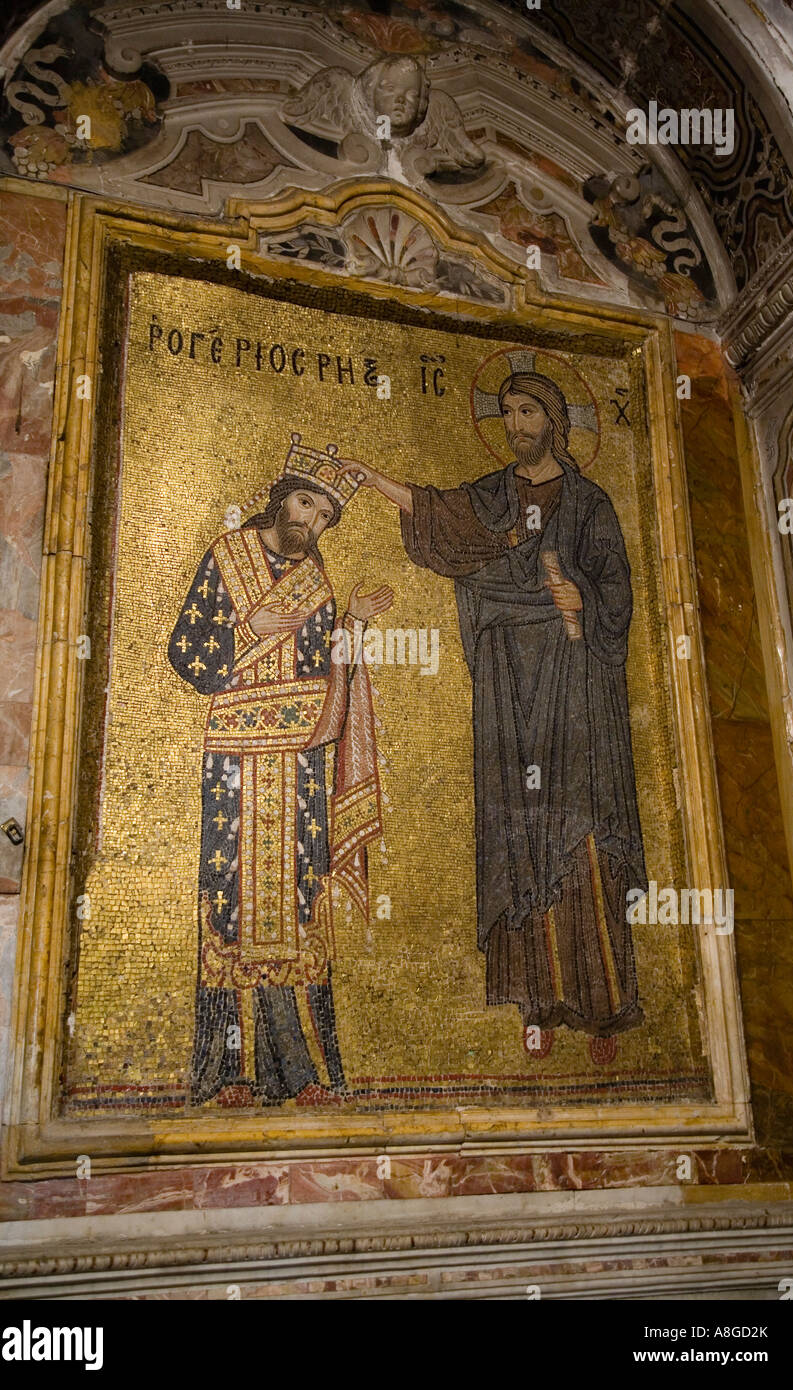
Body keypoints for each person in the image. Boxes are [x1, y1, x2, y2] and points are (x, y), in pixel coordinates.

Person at [340, 372, 647, 1060]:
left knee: (578, 827)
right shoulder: (496, 494)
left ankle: (604, 1006)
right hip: (509, 680)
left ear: (555, 418)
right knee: (519, 826)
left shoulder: (591, 503)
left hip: (574, 686)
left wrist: (580, 601)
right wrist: (369, 477)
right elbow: (438, 513)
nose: (515, 421)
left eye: (528, 409)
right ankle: (536, 1000)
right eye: (507, 411)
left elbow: (616, 591)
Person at [170, 436, 392, 1104]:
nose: (310, 522)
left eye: (324, 516)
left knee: (295, 904)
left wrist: (349, 627)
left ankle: (295, 1074)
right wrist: (250, 629)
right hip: (235, 759)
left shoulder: (317, 583)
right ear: (281, 495)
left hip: (299, 759)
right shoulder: (226, 557)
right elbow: (188, 656)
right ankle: (226, 1072)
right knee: (232, 900)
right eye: (305, 503)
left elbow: (330, 672)